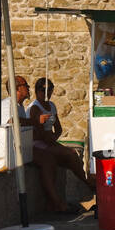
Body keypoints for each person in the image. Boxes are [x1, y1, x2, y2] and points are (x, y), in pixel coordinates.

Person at [30, 78, 95, 213]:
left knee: (71, 155)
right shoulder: (34, 108)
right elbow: (38, 132)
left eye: (49, 90)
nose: (46, 93)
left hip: (49, 141)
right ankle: (89, 185)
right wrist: (55, 143)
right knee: (69, 154)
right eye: (43, 90)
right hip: (38, 143)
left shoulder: (51, 106)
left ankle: (87, 185)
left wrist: (54, 138)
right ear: (37, 91)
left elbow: (58, 128)